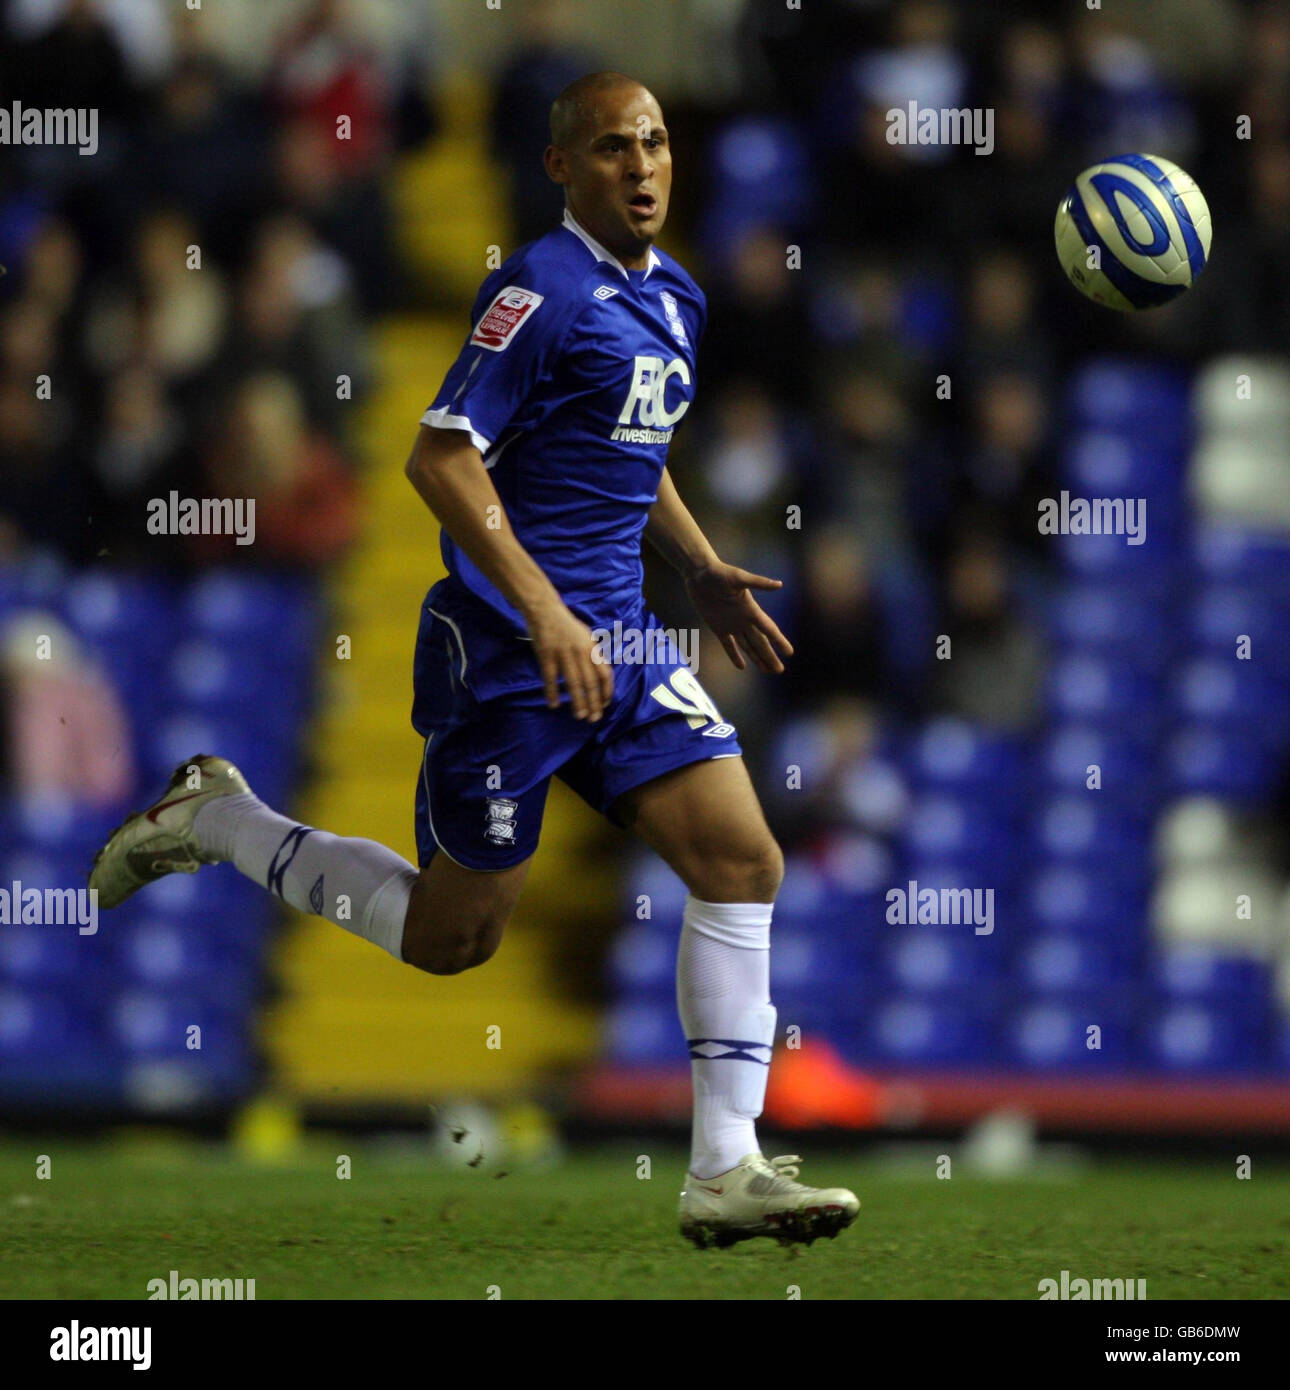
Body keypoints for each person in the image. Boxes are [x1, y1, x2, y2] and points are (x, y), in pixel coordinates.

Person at [89, 72, 859, 1249]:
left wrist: (697, 562)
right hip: (512, 651)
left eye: (654, 142)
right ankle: (222, 820)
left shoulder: (678, 295)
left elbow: (625, 441)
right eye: (612, 146)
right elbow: (442, 458)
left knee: (743, 859)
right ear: (562, 168)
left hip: (626, 644)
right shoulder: (537, 287)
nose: (643, 165)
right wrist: (547, 612)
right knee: (454, 942)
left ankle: (726, 1167)